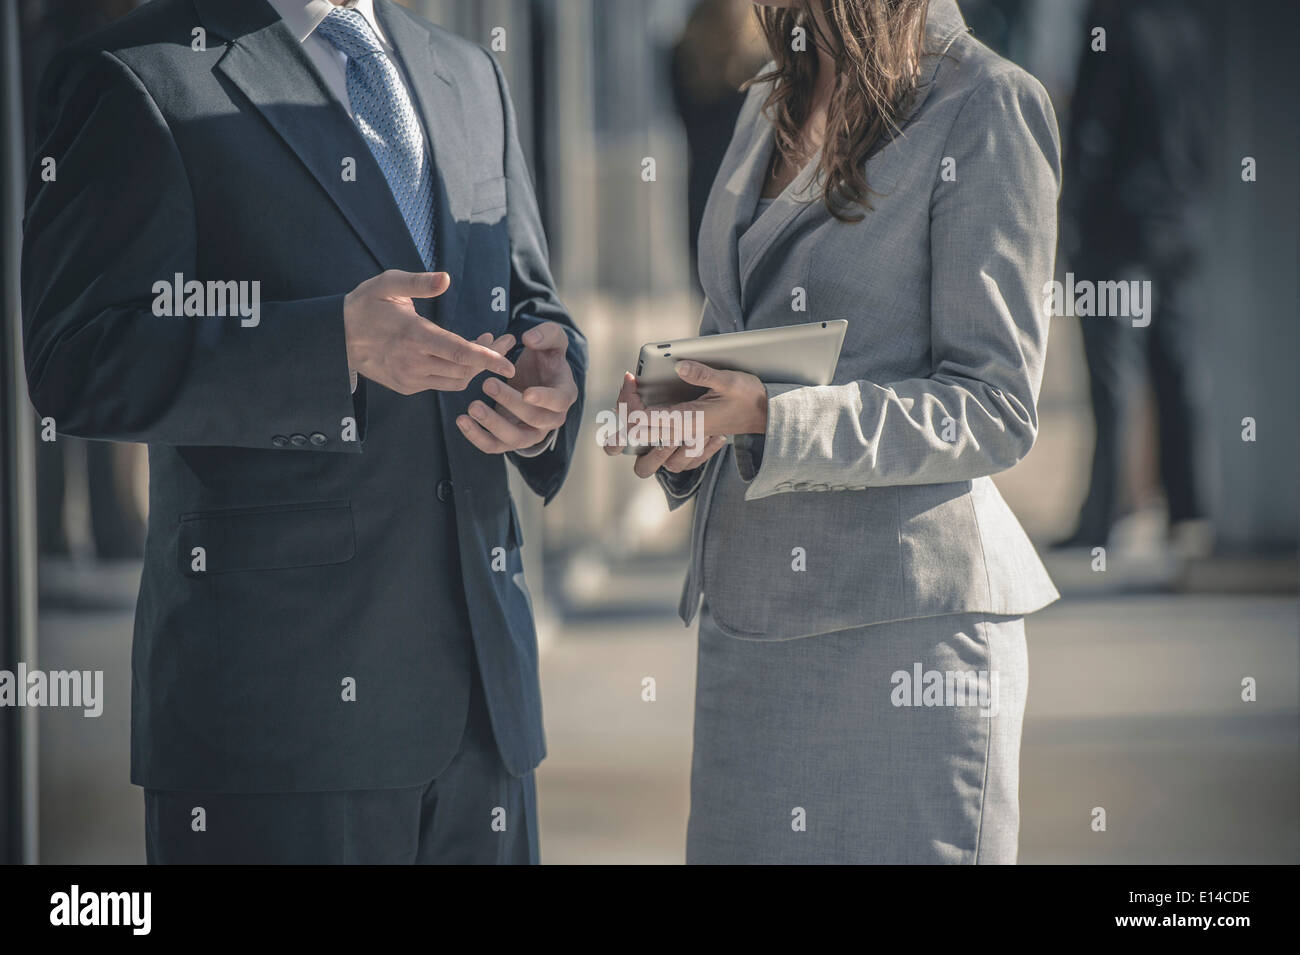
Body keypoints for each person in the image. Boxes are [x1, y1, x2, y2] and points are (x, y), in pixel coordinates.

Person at [22, 0, 586, 864]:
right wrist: (331, 346)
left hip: (486, 721)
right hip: (278, 732)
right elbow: (74, 360)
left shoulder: (472, 75)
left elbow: (528, 300)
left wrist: (553, 387)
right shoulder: (138, 75)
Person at [607, 0, 1060, 863]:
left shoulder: (987, 101)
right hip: (749, 625)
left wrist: (775, 417)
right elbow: (740, 328)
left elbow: (994, 406)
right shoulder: (769, 96)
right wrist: (687, 416)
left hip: (904, 640)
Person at [1054, 0, 1212, 555]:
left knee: (1111, 381)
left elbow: (1094, 128)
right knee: (1176, 369)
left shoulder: (1112, 22)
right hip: (1178, 222)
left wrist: (1070, 215)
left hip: (1116, 230)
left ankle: (1103, 518)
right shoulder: (1187, 23)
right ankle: (1188, 512)